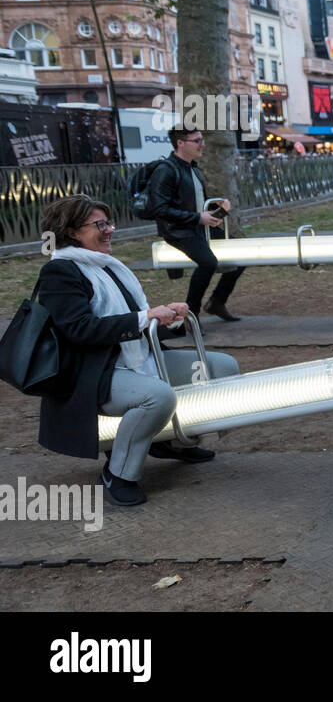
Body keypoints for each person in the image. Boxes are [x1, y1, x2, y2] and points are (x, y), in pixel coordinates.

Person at [35, 195, 241, 506]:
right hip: (96, 373)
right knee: (156, 396)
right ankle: (118, 474)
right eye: (100, 225)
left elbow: (136, 319)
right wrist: (147, 317)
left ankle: (169, 440)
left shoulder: (108, 265)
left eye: (109, 223)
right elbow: (79, 329)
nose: (109, 230)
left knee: (222, 367)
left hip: (135, 358)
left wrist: (168, 317)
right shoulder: (60, 272)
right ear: (73, 231)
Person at [146, 125, 245, 322]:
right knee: (208, 262)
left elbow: (195, 205)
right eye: (197, 140)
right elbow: (159, 209)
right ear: (180, 143)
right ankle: (191, 315)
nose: (202, 144)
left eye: (202, 139)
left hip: (197, 226)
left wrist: (216, 212)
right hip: (178, 230)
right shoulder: (166, 170)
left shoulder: (192, 167)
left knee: (240, 254)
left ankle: (216, 302)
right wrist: (199, 218)